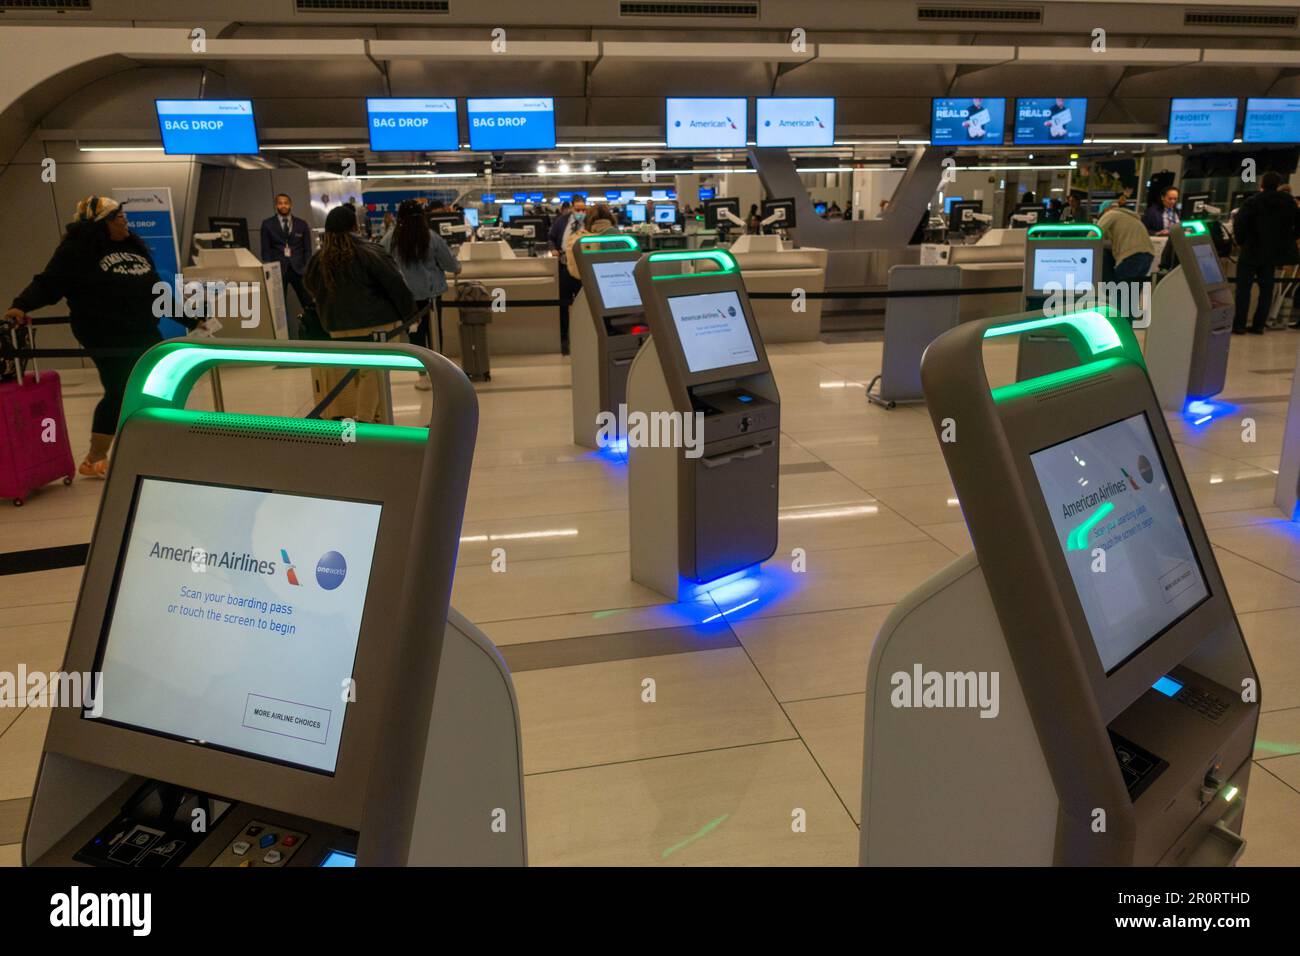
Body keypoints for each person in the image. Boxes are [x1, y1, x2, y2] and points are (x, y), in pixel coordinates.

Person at [5, 196, 199, 478]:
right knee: (119, 391)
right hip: (105, 335)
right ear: (99, 224)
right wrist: (20, 304)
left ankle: (154, 449)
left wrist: (191, 319)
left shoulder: (135, 248)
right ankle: (95, 458)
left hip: (144, 331)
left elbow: (157, 293)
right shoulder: (76, 251)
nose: (124, 221)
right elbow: (49, 282)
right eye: (117, 216)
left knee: (158, 388)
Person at [304, 204, 415, 421]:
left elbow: (309, 286)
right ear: (355, 226)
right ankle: (364, 420)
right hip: (376, 324)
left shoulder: (319, 259)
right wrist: (409, 315)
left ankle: (378, 416)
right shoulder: (369, 252)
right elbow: (395, 284)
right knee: (374, 373)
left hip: (336, 327)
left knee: (354, 374)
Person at [380, 199, 461, 390]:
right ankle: (438, 373)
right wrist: (458, 267)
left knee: (415, 335)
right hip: (431, 295)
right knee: (434, 333)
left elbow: (382, 264)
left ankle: (422, 375)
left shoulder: (390, 239)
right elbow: (450, 264)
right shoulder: (432, 237)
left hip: (406, 297)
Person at [1231, 171, 1300, 335]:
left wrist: (1242, 242)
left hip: (1251, 250)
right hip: (1272, 253)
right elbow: (1298, 224)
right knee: (1267, 290)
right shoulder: (1288, 202)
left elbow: (1240, 224)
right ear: (1278, 185)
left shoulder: (1253, 201)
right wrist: (1289, 239)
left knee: (1243, 289)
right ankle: (1259, 325)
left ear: (1262, 184)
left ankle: (1239, 324)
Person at [259, 193, 314, 328]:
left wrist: (306, 267)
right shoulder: (267, 224)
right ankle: (282, 335)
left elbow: (308, 249)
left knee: (309, 303)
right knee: (277, 305)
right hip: (278, 271)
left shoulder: (302, 224)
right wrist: (271, 269)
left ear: (291, 205)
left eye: (286, 203)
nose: (283, 205)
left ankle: (314, 329)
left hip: (299, 270)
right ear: (276, 205)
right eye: (280, 203)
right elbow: (265, 250)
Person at [1096, 198, 1156, 320]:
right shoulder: (1130, 217)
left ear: (1105, 210)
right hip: (1147, 255)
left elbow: (1094, 235)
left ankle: (1120, 323)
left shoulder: (1110, 214)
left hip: (1131, 256)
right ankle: (1129, 321)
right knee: (1132, 289)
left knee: (1119, 290)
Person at [548, 195, 586, 355]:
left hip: (581, 269)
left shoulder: (588, 223)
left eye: (583, 209)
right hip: (564, 267)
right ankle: (564, 340)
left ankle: (583, 337)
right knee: (563, 305)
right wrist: (553, 248)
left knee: (582, 305)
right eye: (578, 209)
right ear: (571, 208)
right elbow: (551, 237)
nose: (581, 212)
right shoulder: (562, 221)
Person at [563, 204, 620, 280]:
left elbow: (575, 271)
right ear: (610, 217)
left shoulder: (581, 238)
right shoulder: (618, 236)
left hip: (589, 282)